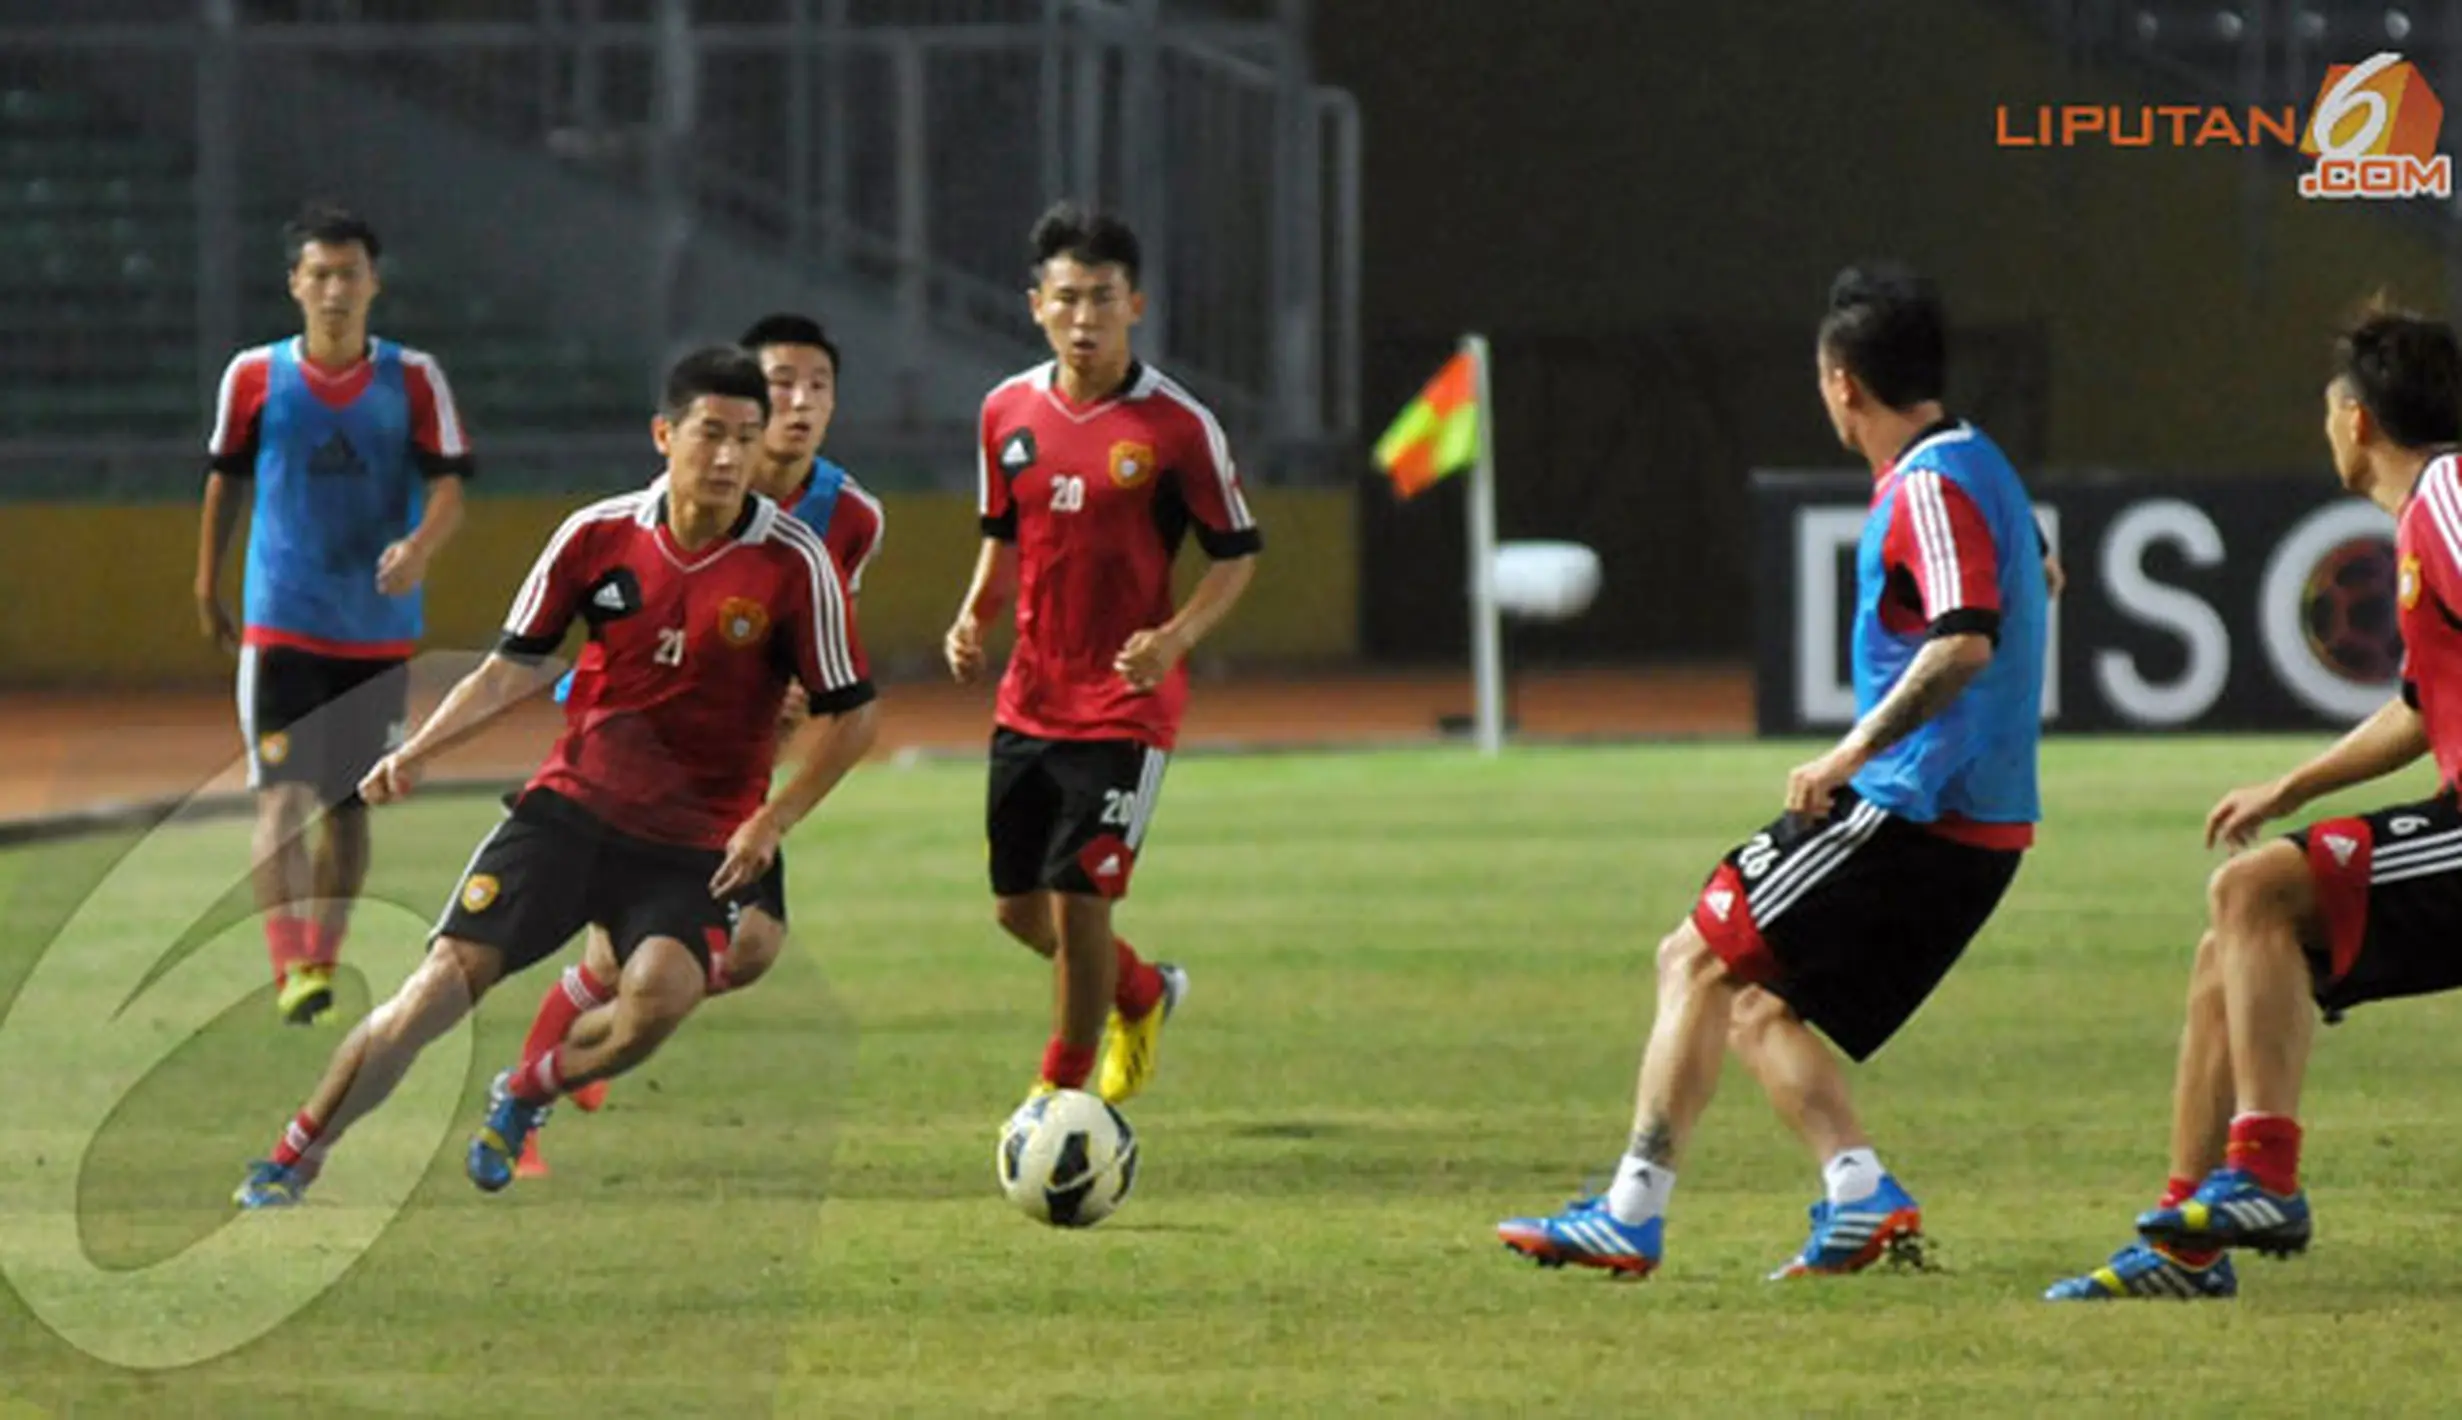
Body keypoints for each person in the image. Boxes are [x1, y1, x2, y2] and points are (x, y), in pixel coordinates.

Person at [1497, 263, 2048, 1278]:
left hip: (1917, 808)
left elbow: (1965, 638)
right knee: (1756, 1004)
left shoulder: (1929, 485)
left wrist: (1850, 752)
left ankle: (1629, 1211)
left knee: (1694, 955)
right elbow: (2039, 573)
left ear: (1843, 383)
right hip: (1973, 818)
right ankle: (1858, 1193)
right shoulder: (1979, 463)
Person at [230, 347, 877, 1208]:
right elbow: (509, 669)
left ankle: (529, 1087)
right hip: (569, 815)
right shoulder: (595, 536)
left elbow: (854, 713)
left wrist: (775, 818)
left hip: (694, 843)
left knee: (657, 1002)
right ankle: (293, 1154)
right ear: (664, 435)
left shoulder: (795, 564)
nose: (729, 457)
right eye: (711, 434)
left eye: (745, 438)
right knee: (435, 993)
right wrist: (418, 751)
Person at [2047, 306, 2462, 1301]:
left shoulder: (2449, 492)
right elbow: (2420, 709)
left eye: (2327, 408)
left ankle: (2264, 1175)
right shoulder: (2423, 521)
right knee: (2226, 955)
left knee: (2252, 892)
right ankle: (2186, 1246)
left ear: (2356, 419)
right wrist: (2291, 785)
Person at [511, 312, 883, 1174]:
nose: (799, 403)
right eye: (780, 385)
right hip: (637, 745)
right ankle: (531, 1095)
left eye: (818, 387)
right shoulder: (686, 487)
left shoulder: (851, 515)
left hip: (734, 754)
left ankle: (581, 1049)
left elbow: (832, 642)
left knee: (737, 950)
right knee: (666, 947)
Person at [943, 202, 1261, 1110]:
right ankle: (1141, 989)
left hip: (1125, 702)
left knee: (1082, 899)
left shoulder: (1179, 427)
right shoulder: (1004, 410)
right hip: (1030, 694)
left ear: (1137, 306)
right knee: (1019, 911)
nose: (1085, 318)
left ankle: (1061, 1094)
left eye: (1104, 299)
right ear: (1036, 305)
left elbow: (1236, 556)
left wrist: (1174, 640)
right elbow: (1004, 530)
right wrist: (974, 613)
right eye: (1068, 298)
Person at [193, 200, 471, 1026]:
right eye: (319, 274)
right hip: (283, 617)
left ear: (373, 283)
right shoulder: (253, 377)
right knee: (281, 797)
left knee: (349, 807)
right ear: (295, 284)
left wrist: (419, 547)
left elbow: (451, 487)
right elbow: (225, 480)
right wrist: (207, 584)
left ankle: (324, 950)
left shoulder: (414, 380)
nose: (335, 290)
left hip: (376, 629)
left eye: (349, 274)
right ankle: (291, 967)